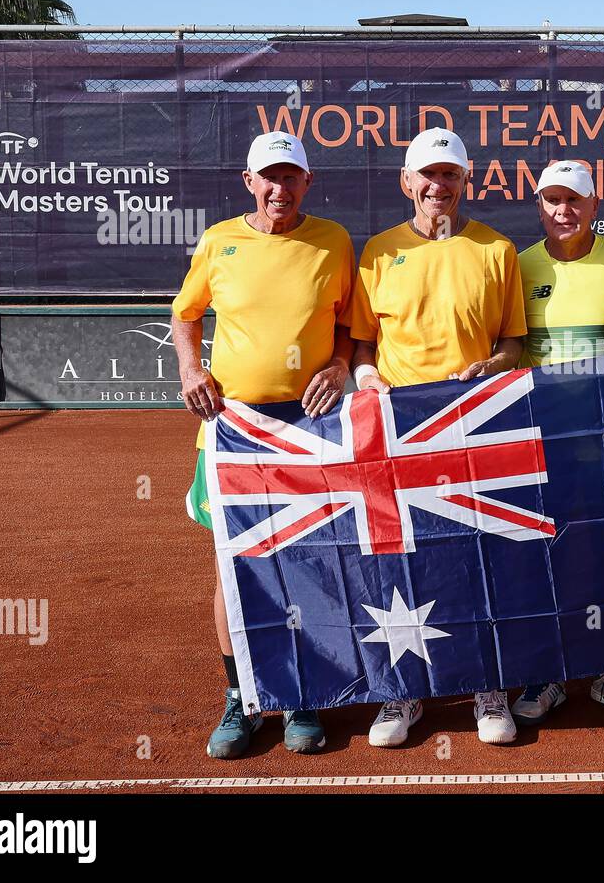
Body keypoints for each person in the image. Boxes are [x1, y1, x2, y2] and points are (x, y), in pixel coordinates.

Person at [172, 130, 355, 758]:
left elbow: (353, 327)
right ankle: (243, 695)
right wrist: (192, 371)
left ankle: (299, 691)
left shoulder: (333, 241)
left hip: (308, 428)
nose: (279, 189)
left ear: (308, 181)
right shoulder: (218, 240)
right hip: (231, 428)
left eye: (291, 177)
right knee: (233, 565)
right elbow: (186, 314)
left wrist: (337, 368)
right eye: (267, 178)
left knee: (304, 561)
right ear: (249, 181)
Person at [349, 127, 528, 748]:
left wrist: (494, 366)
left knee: (475, 556)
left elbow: (513, 342)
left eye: (450, 174)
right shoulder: (376, 252)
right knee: (402, 556)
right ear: (407, 182)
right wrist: (366, 372)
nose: (438, 185)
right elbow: (362, 342)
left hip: (473, 426)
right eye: (428, 175)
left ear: (465, 181)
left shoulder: (497, 250)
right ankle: (403, 694)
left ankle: (488, 683)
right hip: (396, 432)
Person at [508, 160, 604, 727]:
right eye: (551, 201)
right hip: (538, 443)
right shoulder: (518, 266)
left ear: (595, 205)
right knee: (545, 555)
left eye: (574, 201)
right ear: (539, 206)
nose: (562, 211)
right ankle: (547, 671)